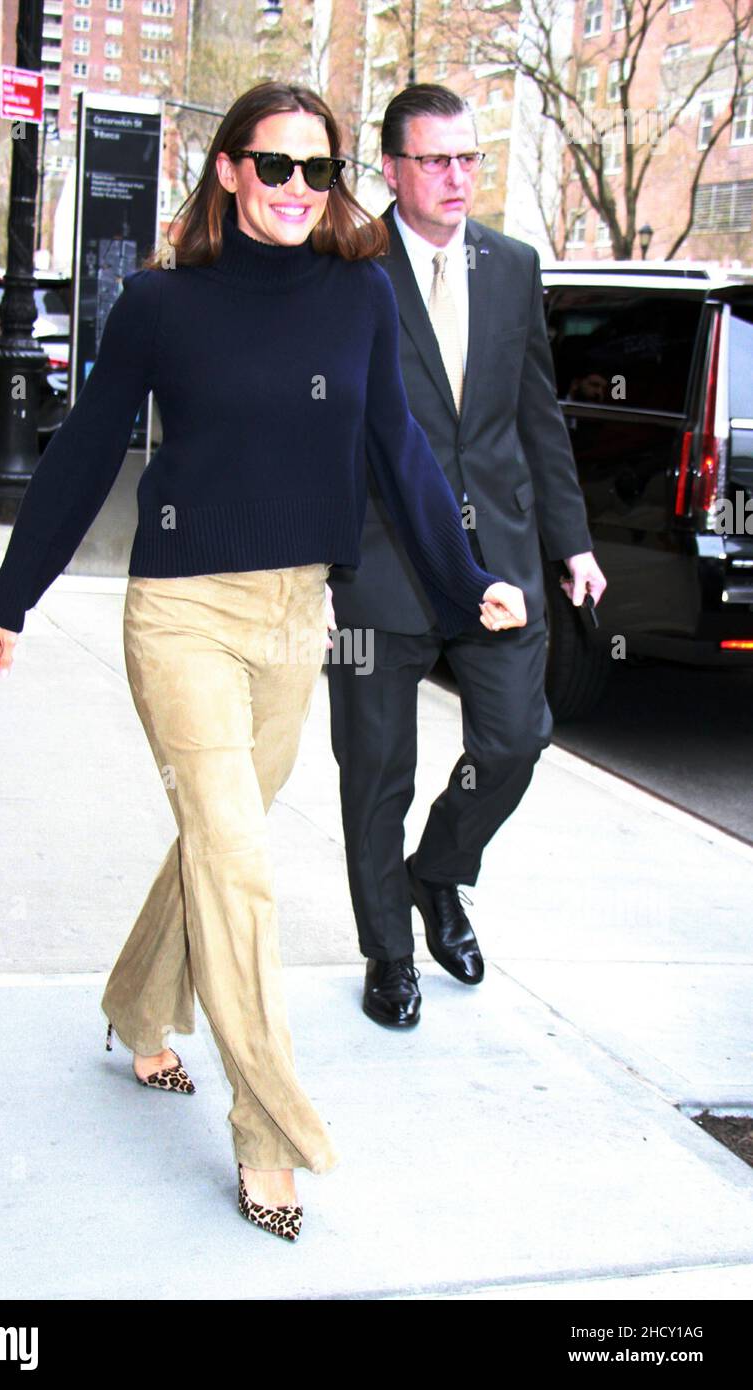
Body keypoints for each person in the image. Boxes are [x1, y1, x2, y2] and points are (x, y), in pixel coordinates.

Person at [0, 82, 526, 1242]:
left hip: (292, 622)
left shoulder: (358, 299)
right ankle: (268, 1127)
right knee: (241, 862)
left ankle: (136, 1002)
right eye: (270, 167)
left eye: (313, 171)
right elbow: (81, 450)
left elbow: (402, 458)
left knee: (212, 847)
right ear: (226, 171)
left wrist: (462, 571)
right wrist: (12, 594)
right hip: (178, 617)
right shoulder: (162, 306)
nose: (292, 190)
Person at [327, 84, 608, 1030]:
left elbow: (537, 416)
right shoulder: (346, 265)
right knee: (376, 767)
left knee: (516, 739)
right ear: (394, 169)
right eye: (436, 161)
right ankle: (389, 954)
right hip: (380, 558)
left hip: (501, 559)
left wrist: (570, 545)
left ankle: (439, 872)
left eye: (469, 159)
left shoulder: (512, 265)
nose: (457, 178)